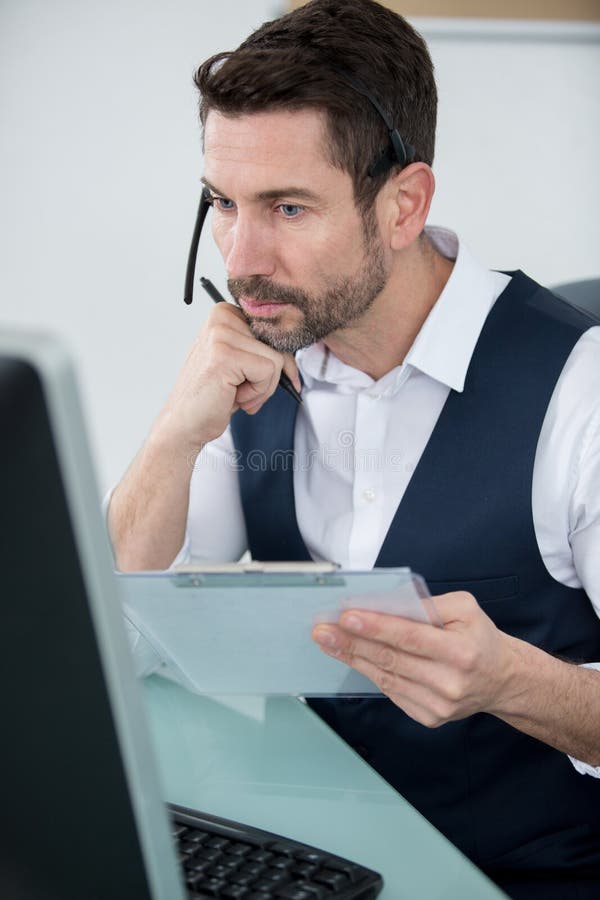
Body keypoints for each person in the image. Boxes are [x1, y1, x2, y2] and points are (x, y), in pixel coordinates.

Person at [108, 1, 600, 895]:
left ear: (404, 204)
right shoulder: (255, 356)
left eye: (288, 207)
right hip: (314, 860)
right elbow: (111, 635)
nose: (244, 256)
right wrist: (174, 434)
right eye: (223, 203)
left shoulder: (581, 393)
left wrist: (511, 682)